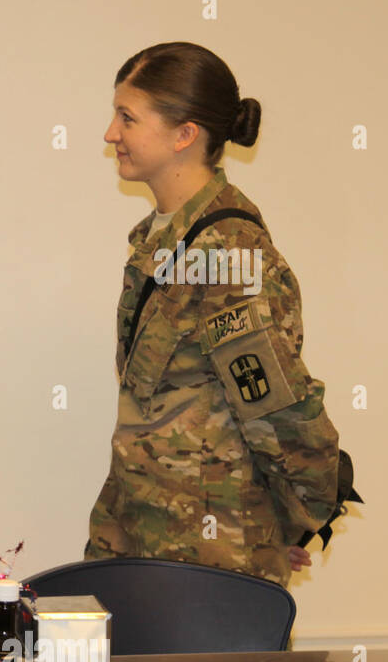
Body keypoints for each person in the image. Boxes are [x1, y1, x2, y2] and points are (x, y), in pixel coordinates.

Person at [86, 42, 341, 587]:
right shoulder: (161, 241)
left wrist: (294, 520)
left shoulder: (228, 251)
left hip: (207, 560)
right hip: (138, 534)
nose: (111, 133)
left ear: (185, 134)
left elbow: (278, 408)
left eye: (127, 117)